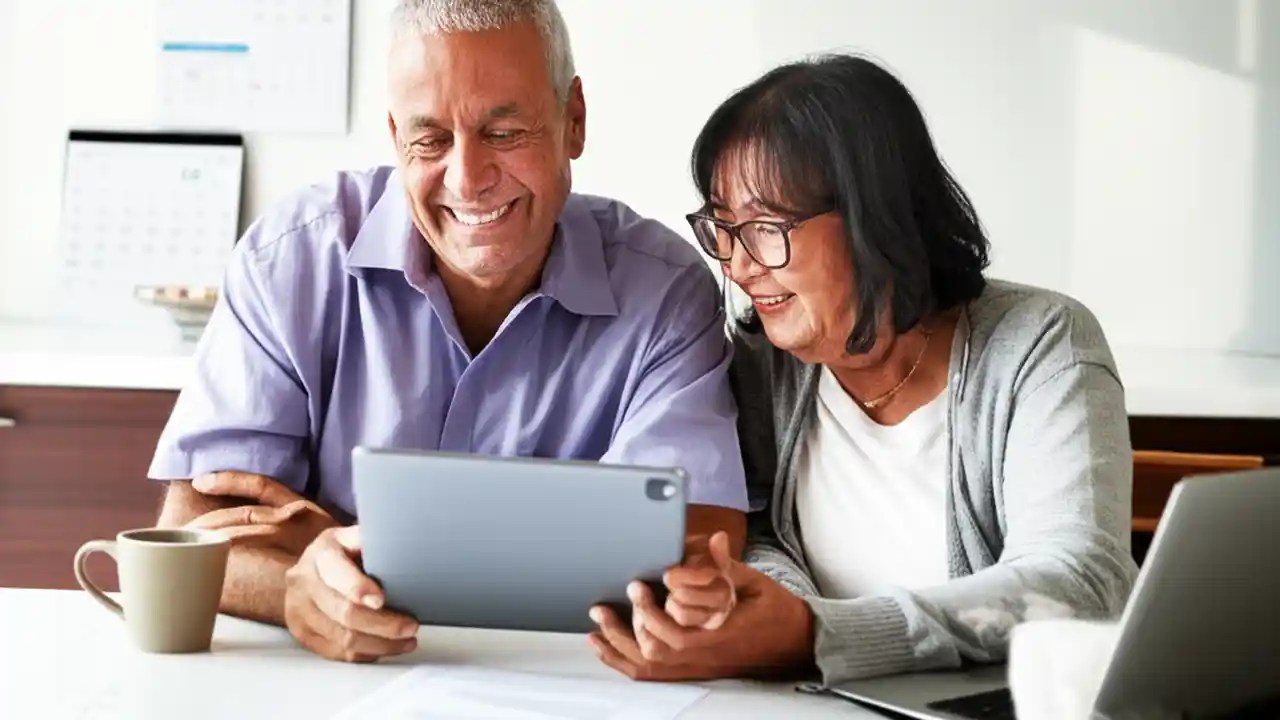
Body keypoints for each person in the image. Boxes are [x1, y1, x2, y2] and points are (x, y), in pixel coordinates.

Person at [150, 0, 748, 664]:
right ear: (394, 134)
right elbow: (192, 533)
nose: (467, 179)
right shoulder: (290, 260)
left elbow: (697, 548)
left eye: (504, 131)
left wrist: (368, 550)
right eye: (430, 139)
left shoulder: (664, 293)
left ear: (572, 120)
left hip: (571, 690)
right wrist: (292, 585)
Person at [588, 54, 1138, 685]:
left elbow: (1079, 582)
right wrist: (737, 605)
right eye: (723, 227)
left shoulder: (1040, 344)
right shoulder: (761, 364)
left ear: (872, 216)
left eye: (767, 228)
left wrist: (814, 633)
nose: (738, 266)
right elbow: (762, 534)